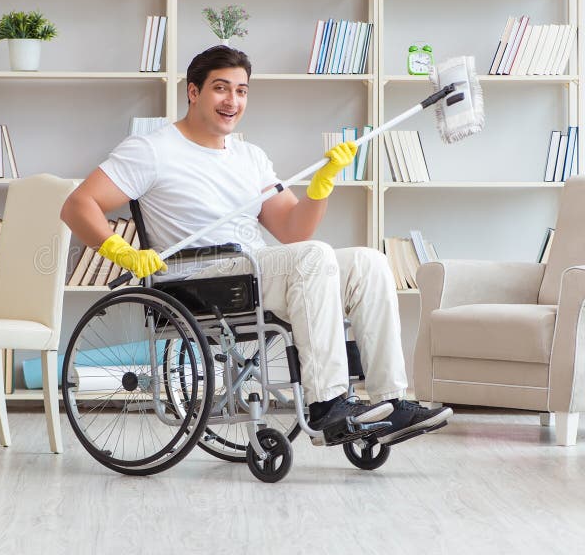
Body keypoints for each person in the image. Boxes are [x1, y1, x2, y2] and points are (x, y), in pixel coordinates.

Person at [60, 45, 452, 446]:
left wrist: (323, 184)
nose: (232, 101)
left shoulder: (250, 157)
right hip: (198, 277)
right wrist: (121, 252)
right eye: (221, 88)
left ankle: (390, 402)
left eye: (242, 91)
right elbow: (78, 205)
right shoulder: (151, 150)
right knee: (313, 257)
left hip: (255, 269)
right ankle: (328, 405)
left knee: (369, 262)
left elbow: (293, 231)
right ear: (193, 92)